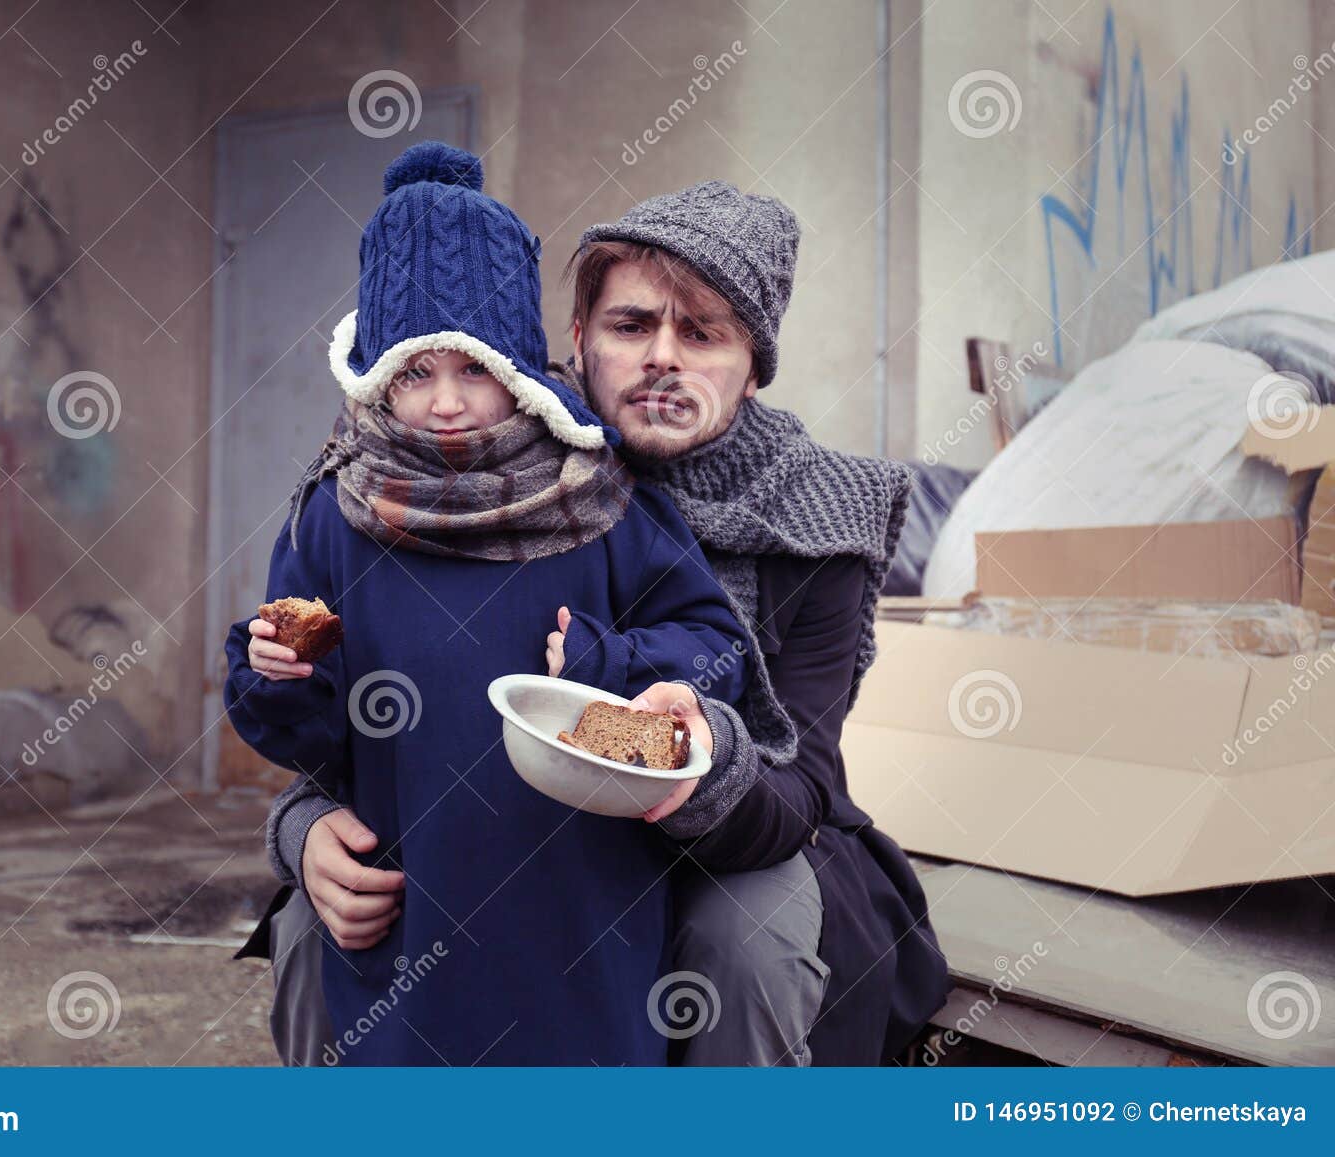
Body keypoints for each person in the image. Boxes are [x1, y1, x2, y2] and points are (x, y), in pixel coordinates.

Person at [250, 177, 951, 1067]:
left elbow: (799, 781)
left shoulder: (824, 515)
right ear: (574, 340)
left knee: (745, 950)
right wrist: (303, 821)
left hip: (733, 830)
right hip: (509, 816)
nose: (663, 357)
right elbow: (383, 661)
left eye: (702, 333)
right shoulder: (478, 452)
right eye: (630, 326)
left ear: (753, 360)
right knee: (316, 924)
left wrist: (695, 762)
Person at [223, 142, 753, 1065]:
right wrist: (279, 675)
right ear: (375, 374)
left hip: (583, 917)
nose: (446, 404)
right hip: (408, 905)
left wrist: (609, 672)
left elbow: (715, 646)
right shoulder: (336, 511)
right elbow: (311, 740)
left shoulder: (600, 496)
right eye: (415, 373)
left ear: (517, 368)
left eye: (473, 371)